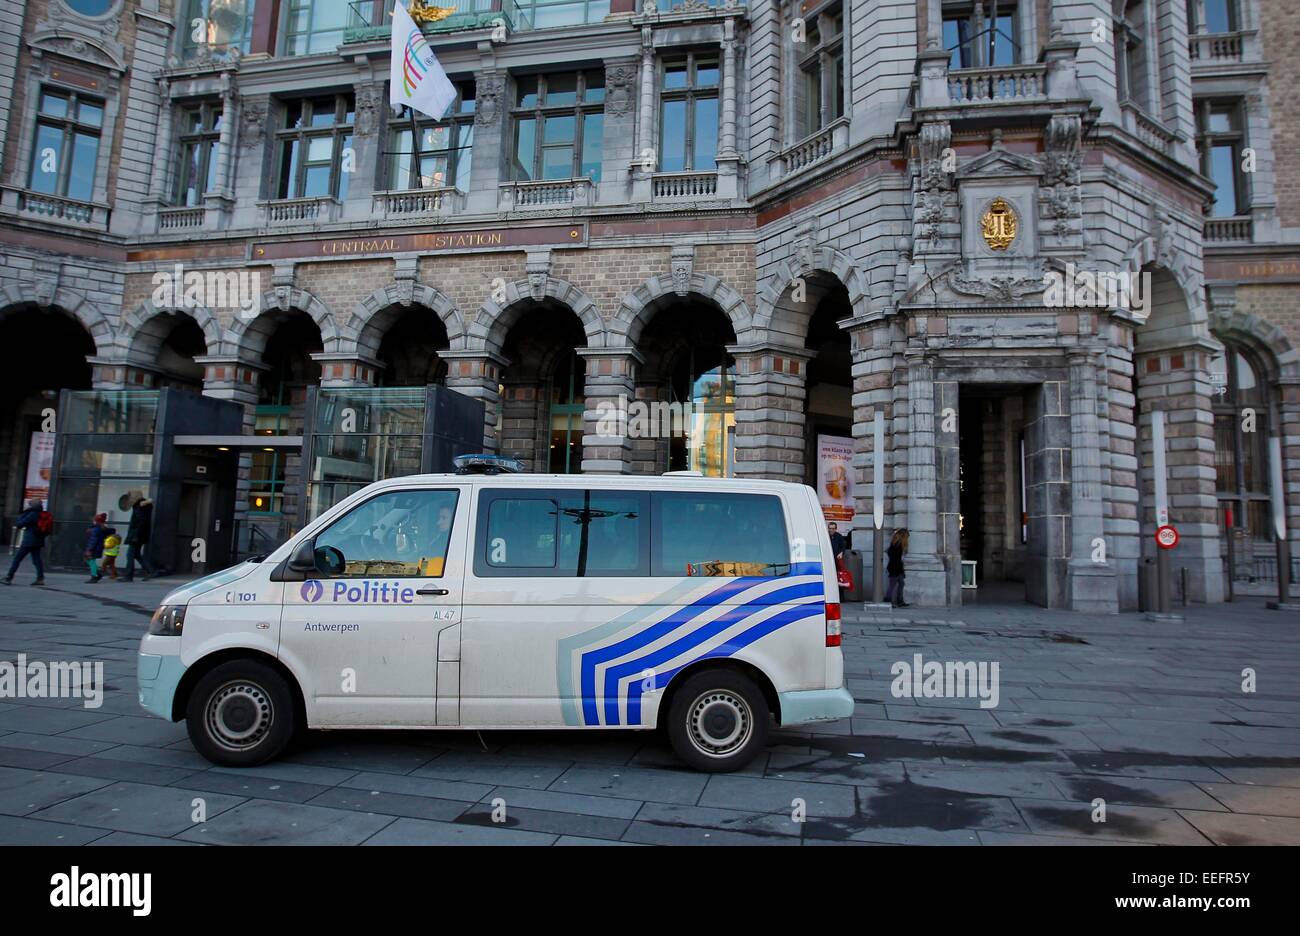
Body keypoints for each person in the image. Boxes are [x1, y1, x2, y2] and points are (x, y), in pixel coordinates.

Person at [4, 498, 50, 586]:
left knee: (17, 559)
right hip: (38, 540)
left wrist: (24, 513)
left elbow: (19, 524)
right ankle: (40, 578)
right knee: (37, 560)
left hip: (29, 541)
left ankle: (9, 577)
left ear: (32, 506)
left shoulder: (32, 514)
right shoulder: (42, 514)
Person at [122, 496, 155, 582]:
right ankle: (150, 571)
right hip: (140, 536)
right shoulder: (146, 508)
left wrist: (135, 536)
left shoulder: (139, 509)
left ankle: (128, 576)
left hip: (136, 536)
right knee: (136, 554)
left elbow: (139, 523)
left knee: (130, 555)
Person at [83, 513, 115, 584]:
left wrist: (89, 549)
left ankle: (95, 576)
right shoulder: (101, 529)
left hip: (94, 548)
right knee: (90, 561)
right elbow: (112, 530)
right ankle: (97, 574)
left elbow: (93, 541)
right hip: (98, 548)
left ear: (96, 521)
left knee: (91, 561)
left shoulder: (95, 530)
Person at [885, 527, 909, 608]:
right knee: (893, 585)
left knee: (900, 584)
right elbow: (896, 558)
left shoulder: (895, 545)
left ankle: (899, 600)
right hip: (895, 567)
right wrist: (901, 569)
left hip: (895, 567)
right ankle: (889, 600)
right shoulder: (897, 546)